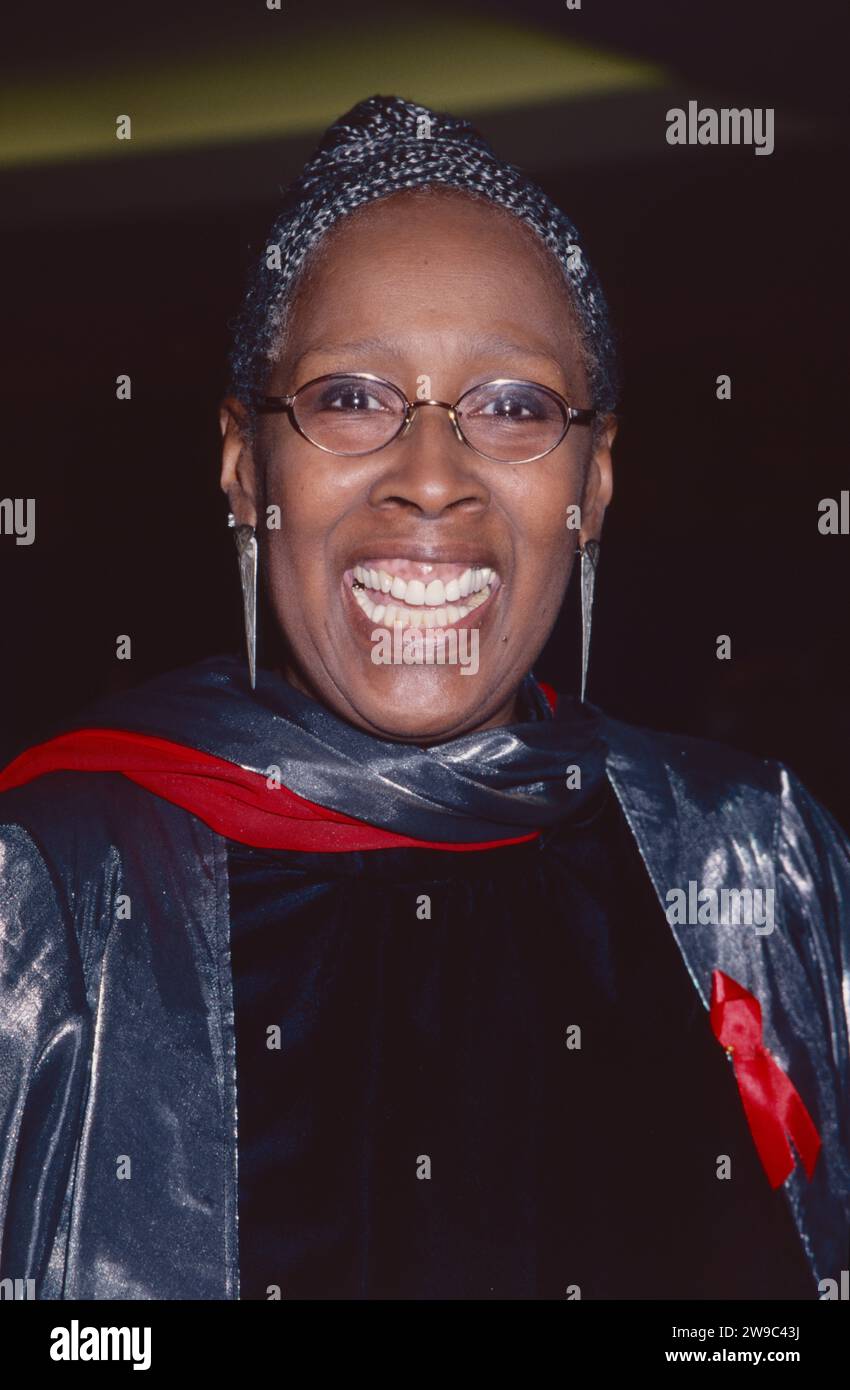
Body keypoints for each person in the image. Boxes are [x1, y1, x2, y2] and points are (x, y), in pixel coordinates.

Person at [0, 95, 848, 1302]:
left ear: (592, 486)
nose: (432, 476)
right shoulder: (51, 900)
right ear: (246, 470)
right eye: (352, 395)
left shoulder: (755, 858)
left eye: (513, 406)